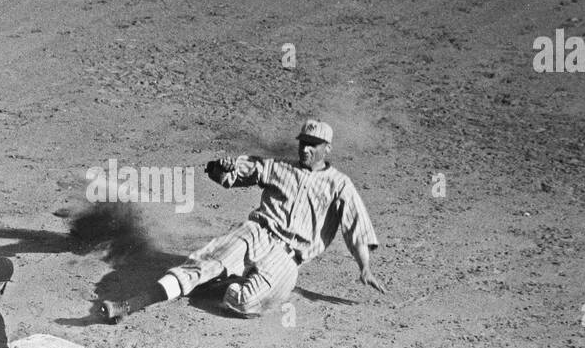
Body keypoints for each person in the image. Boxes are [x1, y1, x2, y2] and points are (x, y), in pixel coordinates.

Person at [98, 117, 386, 322]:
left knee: (243, 302)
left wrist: (365, 267)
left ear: (328, 149)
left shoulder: (340, 185)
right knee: (201, 264)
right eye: (303, 143)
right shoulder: (278, 167)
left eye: (313, 145)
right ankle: (129, 305)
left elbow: (356, 228)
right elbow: (228, 174)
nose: (305, 149)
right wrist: (219, 168)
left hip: (287, 259)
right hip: (257, 232)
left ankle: (226, 280)